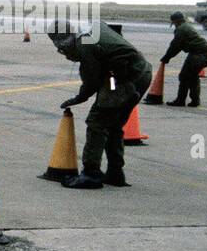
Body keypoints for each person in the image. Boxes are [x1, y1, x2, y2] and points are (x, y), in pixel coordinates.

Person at [49, 20, 152, 189]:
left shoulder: (84, 42)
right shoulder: (91, 29)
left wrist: (79, 97)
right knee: (113, 125)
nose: (65, 54)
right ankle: (115, 172)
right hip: (140, 73)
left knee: (97, 122)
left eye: (63, 49)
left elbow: (92, 77)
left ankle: (91, 174)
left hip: (122, 79)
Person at [159, 12, 207, 107]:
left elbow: (175, 46)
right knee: (193, 77)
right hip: (201, 52)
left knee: (184, 76)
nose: (174, 25)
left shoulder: (181, 29)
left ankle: (180, 101)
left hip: (198, 54)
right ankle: (195, 101)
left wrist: (166, 58)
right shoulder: (186, 26)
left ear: (176, 21)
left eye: (174, 23)